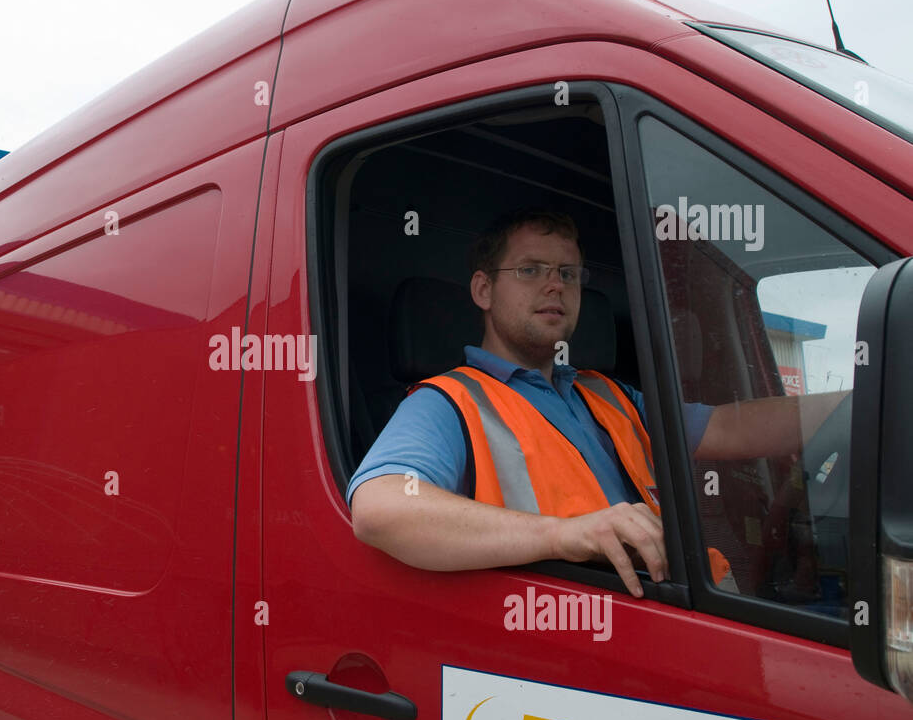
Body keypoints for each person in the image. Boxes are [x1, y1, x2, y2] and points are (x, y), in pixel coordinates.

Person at [347, 208, 849, 598]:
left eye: (568, 274)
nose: (554, 285)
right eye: (530, 270)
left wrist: (860, 402)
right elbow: (380, 507)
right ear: (484, 289)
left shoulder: (605, 393)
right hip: (560, 648)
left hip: (664, 617)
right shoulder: (450, 400)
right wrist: (564, 535)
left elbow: (730, 429)